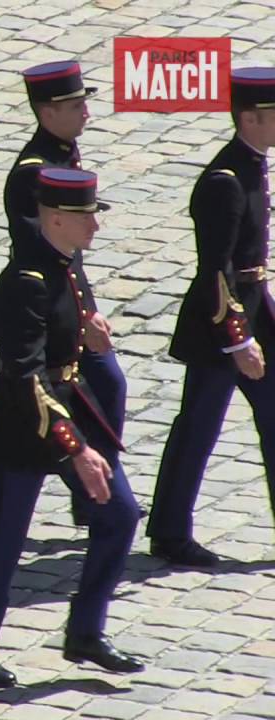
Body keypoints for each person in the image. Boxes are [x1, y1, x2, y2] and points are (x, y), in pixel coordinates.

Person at [0, 168, 142, 688]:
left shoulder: (67, 261)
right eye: (86, 217)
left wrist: (88, 330)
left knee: (120, 515)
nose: (95, 227)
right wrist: (76, 449)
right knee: (3, 540)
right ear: (55, 219)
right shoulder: (26, 282)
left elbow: (70, 318)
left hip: (68, 405)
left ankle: (86, 632)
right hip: (22, 422)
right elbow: (24, 376)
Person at [0, 61, 127, 528]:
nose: (86, 113)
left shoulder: (64, 155)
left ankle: (94, 496)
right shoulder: (34, 173)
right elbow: (44, 254)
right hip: (37, 304)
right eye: (75, 106)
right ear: (47, 113)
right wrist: (81, 315)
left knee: (94, 388)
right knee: (14, 401)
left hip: (65, 299)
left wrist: (87, 307)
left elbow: (71, 258)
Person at [147, 68, 275, 568]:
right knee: (198, 428)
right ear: (249, 118)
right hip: (219, 325)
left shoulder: (254, 166)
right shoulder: (224, 182)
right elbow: (215, 272)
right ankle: (169, 532)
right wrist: (238, 340)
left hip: (255, 310)